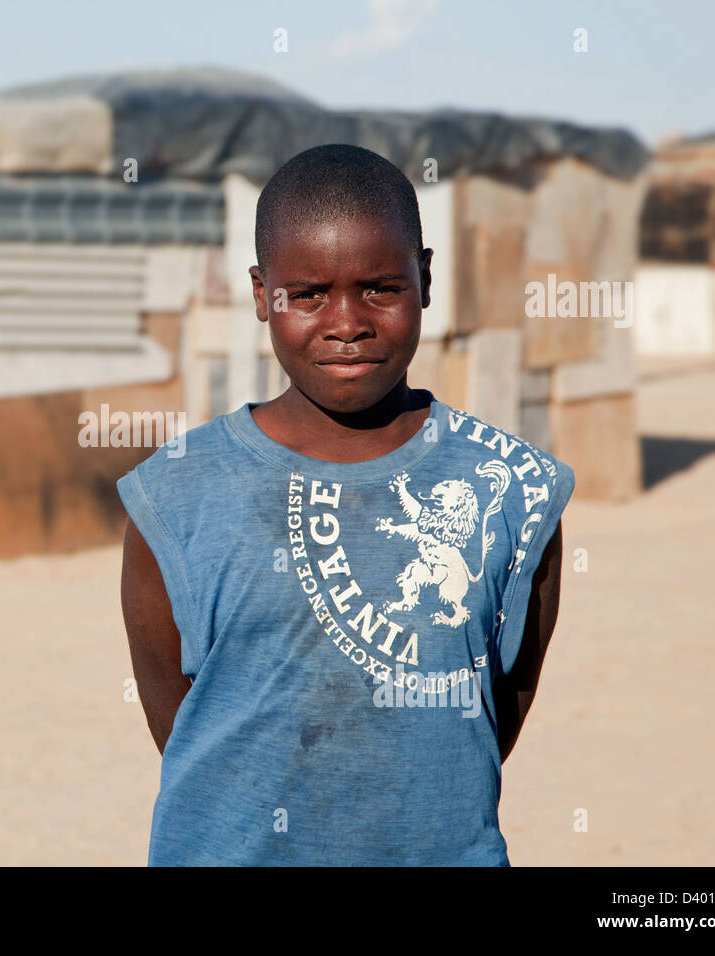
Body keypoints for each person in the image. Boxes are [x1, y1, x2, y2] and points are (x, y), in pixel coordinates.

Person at [117, 144, 573, 866]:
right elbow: (186, 724)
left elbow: (495, 707)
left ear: (425, 277)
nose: (346, 322)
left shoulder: (513, 486)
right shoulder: (175, 494)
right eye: (308, 295)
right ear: (262, 292)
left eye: (380, 288)